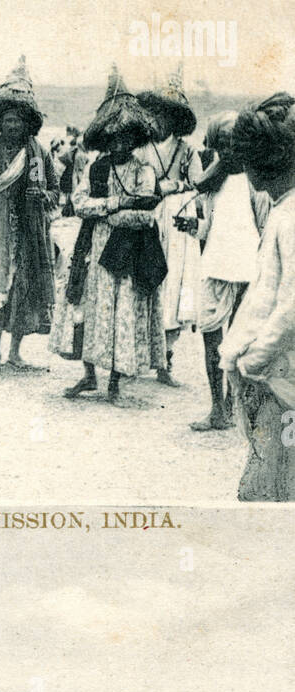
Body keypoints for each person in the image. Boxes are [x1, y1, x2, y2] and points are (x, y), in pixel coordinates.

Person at [54, 67, 166, 405]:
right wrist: (114, 204)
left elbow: (148, 212)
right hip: (93, 245)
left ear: (134, 138)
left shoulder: (144, 170)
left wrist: (118, 216)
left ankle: (115, 381)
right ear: (105, 137)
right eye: (113, 137)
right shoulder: (95, 167)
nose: (120, 143)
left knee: (121, 309)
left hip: (128, 250)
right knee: (88, 306)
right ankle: (89, 375)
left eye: (126, 138)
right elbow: (79, 202)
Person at [222, 94, 295, 500]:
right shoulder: (281, 210)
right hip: (275, 370)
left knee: (268, 489)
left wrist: (252, 358)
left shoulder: (289, 216)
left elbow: (291, 304)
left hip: (279, 374)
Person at [0, 56, 57, 373]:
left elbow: (57, 191)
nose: (12, 125)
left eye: (18, 120)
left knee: (23, 288)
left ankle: (15, 352)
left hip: (29, 233)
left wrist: (44, 195)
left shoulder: (39, 153)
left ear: (27, 123)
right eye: (7, 120)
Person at [190, 111, 268, 432]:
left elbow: (264, 227)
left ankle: (231, 407)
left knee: (238, 343)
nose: (227, 152)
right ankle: (217, 408)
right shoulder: (215, 181)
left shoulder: (255, 183)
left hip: (246, 271)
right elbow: (208, 228)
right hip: (216, 266)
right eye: (224, 146)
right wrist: (193, 227)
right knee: (213, 340)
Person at [137, 66, 201, 386]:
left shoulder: (188, 151)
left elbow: (198, 185)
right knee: (145, 283)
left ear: (177, 120)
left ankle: (166, 360)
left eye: (168, 115)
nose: (160, 121)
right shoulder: (141, 149)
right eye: (157, 114)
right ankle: (139, 355)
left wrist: (176, 188)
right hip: (147, 219)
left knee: (176, 288)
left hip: (175, 225)